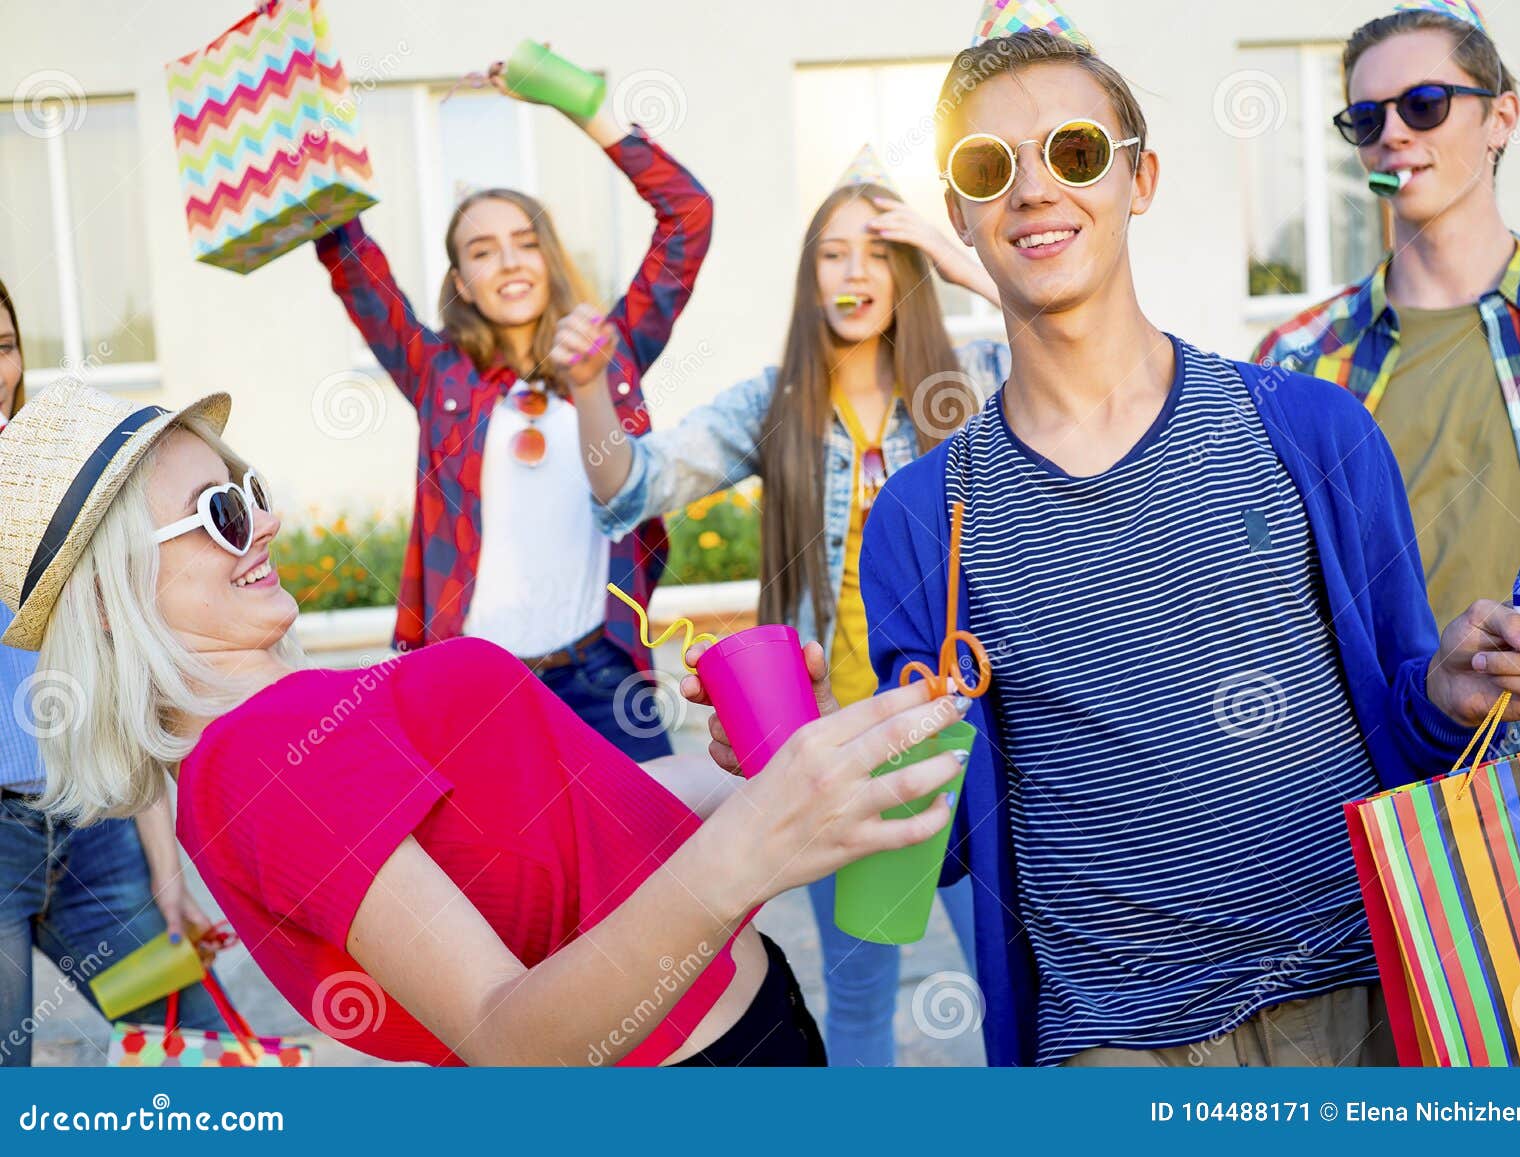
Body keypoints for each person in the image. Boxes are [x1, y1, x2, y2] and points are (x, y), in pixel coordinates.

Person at [858, 6, 1520, 1068]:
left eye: (1072, 151)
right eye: (989, 166)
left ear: (1138, 180)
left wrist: (1448, 688)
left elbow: (1401, 719)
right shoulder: (924, 518)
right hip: (1111, 1050)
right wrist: (814, 764)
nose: (1033, 188)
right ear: (960, 213)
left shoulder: (1309, 429)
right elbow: (925, 852)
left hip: (1361, 1007)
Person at [0, 381, 972, 1067]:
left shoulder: (285, 719)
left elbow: (578, 817)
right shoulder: (263, 756)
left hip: (737, 1036)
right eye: (219, 510)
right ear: (107, 591)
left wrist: (779, 769)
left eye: (249, 490)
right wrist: (752, 852)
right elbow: (513, 1043)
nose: (268, 522)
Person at [558, 150, 1003, 1065]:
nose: (854, 273)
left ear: (908, 270)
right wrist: (589, 382)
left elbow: (1082, 356)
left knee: (1009, 985)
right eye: (834, 254)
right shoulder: (775, 404)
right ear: (810, 279)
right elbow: (625, 488)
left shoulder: (972, 383)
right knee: (859, 997)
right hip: (835, 754)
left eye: (879, 252)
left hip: (963, 743)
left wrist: (969, 264)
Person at [312, 53, 712, 761]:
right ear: (461, 280)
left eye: (527, 244)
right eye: (484, 251)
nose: (511, 262)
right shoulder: (436, 372)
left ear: (550, 259)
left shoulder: (608, 357)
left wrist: (582, 109)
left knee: (656, 867)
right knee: (494, 875)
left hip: (603, 677)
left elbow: (687, 216)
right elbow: (351, 261)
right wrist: (308, 99)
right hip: (477, 692)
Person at [1254, 0, 1520, 755]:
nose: (1394, 136)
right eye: (1366, 119)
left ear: (1501, 117)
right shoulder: (1296, 361)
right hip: (1399, 748)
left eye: (1424, 104)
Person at [0, 281, 221, 1067]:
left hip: (93, 820)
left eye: (2, 347)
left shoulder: (55, 488)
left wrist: (165, 867)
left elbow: (121, 677)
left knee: (196, 1049)